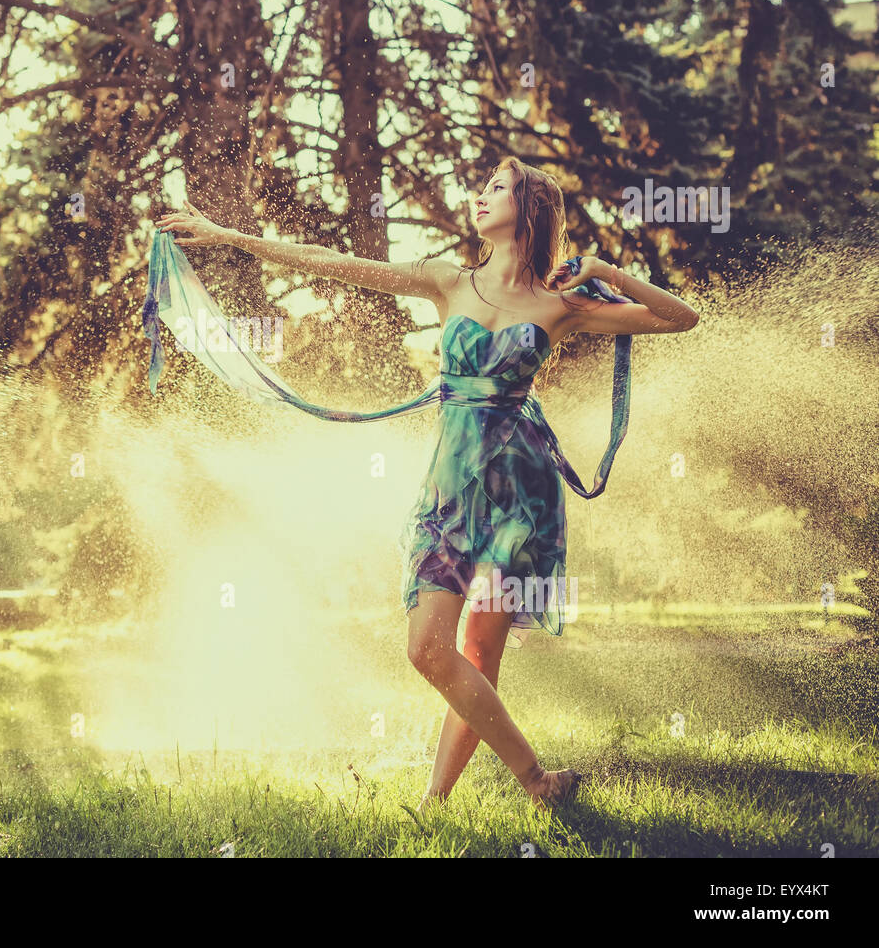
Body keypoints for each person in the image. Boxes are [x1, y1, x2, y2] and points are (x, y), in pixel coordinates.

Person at [154, 156, 699, 810]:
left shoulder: (561, 306)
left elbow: (679, 318)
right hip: (448, 489)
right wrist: (226, 235)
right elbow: (328, 261)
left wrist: (605, 271)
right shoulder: (449, 281)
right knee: (428, 649)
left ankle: (461, 799)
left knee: (477, 649)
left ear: (528, 210)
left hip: (520, 494)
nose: (480, 194)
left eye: (496, 187)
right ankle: (533, 781)